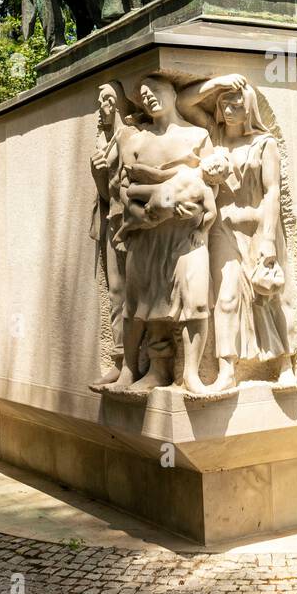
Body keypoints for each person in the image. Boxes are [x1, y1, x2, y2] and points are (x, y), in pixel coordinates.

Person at [178, 74, 297, 393]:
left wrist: (270, 238)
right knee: (227, 297)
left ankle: (284, 362)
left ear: (249, 108)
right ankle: (227, 369)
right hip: (222, 231)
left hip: (259, 230)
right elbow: (183, 101)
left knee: (268, 296)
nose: (228, 108)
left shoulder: (264, 143)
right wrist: (220, 82)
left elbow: (272, 192)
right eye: (223, 103)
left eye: (235, 102)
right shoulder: (213, 136)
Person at [104, 74, 220, 395]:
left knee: (195, 301)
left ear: (171, 91)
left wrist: (192, 214)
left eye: (154, 90)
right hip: (146, 234)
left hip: (188, 236)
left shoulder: (198, 136)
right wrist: (152, 214)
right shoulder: (137, 141)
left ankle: (192, 374)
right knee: (145, 305)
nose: (149, 98)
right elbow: (126, 194)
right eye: (143, 95)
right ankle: (153, 370)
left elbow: (210, 188)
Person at [89, 81, 130, 389]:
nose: (100, 108)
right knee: (116, 292)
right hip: (111, 217)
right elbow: (105, 194)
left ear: (116, 103)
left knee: (135, 292)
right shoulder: (106, 142)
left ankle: (137, 360)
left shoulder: (129, 135)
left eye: (104, 100)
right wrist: (98, 173)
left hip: (130, 221)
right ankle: (120, 359)